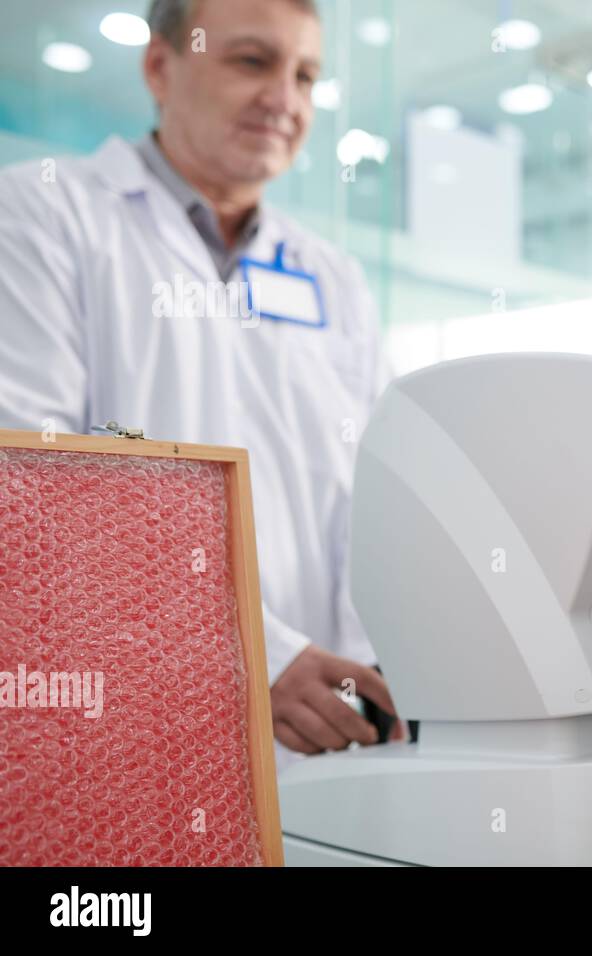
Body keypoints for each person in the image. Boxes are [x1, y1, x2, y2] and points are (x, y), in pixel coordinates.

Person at [0, 0, 400, 763]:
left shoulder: (332, 277)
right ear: (160, 66)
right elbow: (35, 479)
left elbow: (375, 487)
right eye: (252, 61)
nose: (285, 100)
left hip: (328, 731)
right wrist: (251, 652)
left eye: (306, 75)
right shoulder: (40, 214)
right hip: (130, 720)